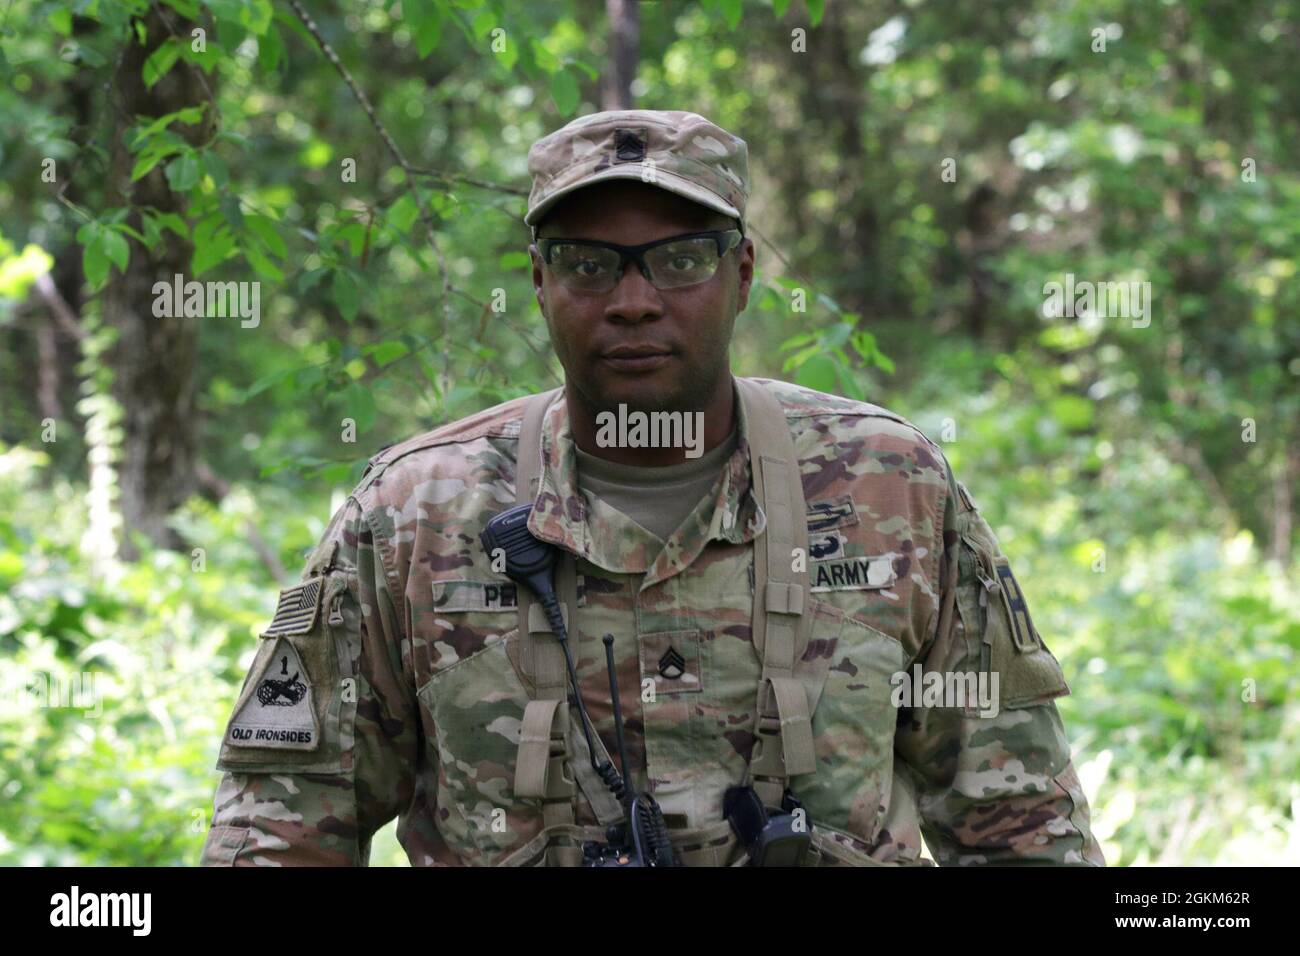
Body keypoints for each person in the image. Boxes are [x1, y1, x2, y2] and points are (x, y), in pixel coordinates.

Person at [199, 109, 1104, 867]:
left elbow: (1021, 827)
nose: (634, 300)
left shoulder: (887, 489)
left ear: (742, 274)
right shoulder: (413, 518)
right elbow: (278, 833)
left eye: (681, 259)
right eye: (590, 264)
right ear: (540, 282)